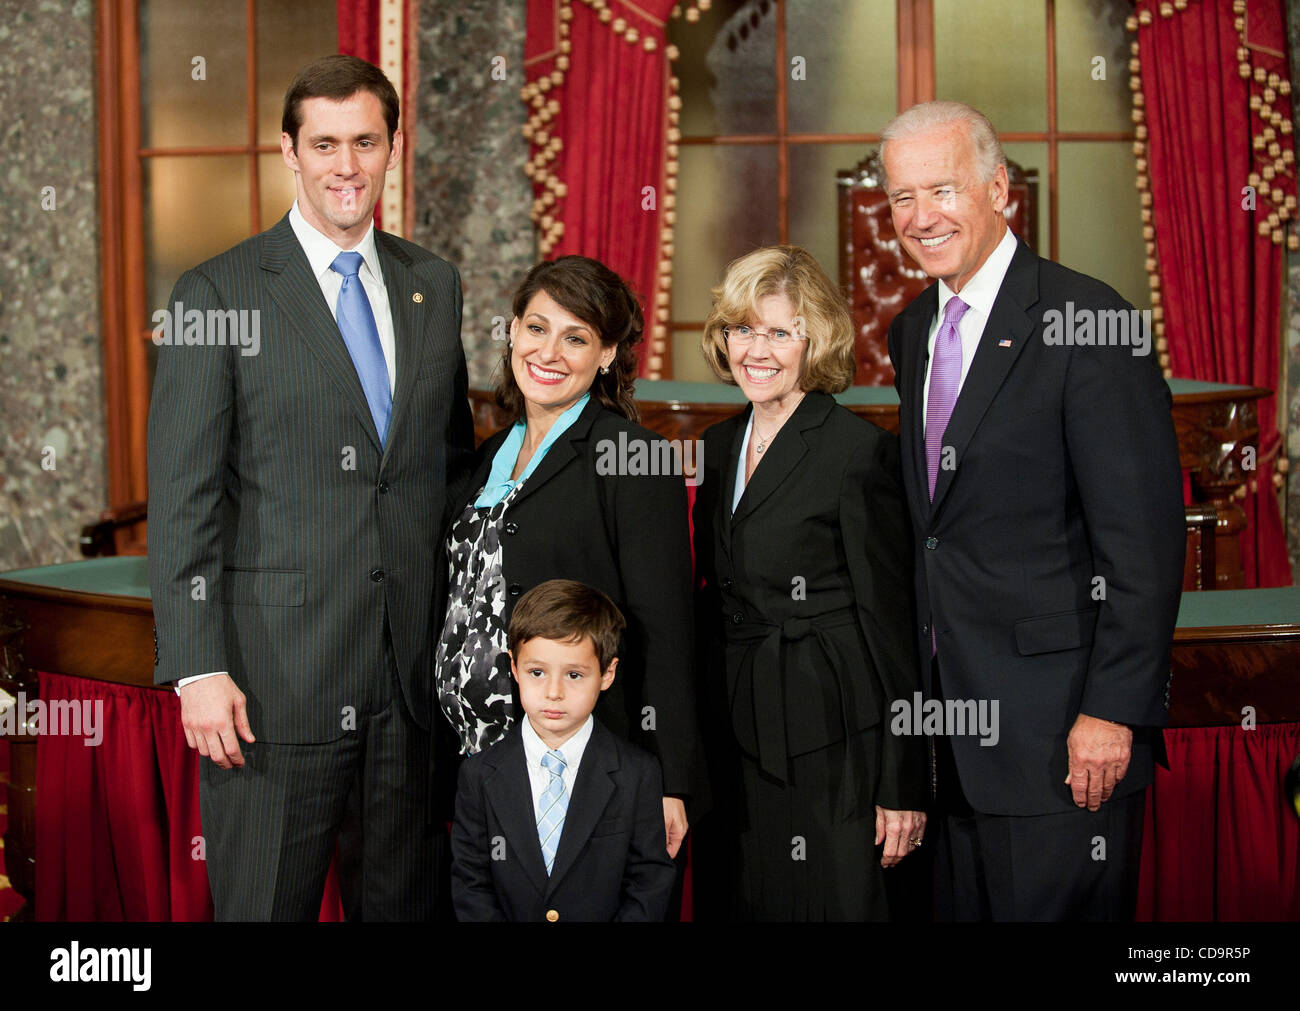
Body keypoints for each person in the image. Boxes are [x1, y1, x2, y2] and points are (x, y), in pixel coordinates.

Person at [148, 54, 474, 920]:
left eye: (365, 141)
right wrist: (196, 667)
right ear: (288, 153)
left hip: (408, 689)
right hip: (271, 687)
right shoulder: (215, 292)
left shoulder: (432, 286)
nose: (346, 165)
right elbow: (183, 499)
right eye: (324, 143)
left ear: (393, 147)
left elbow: (445, 468)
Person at [881, 101, 1185, 921]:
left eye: (940, 189)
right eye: (901, 198)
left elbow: (1144, 548)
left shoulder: (1090, 323)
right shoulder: (912, 330)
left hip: (1061, 739)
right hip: (952, 745)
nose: (921, 216)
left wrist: (1112, 711)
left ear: (998, 188)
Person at [435, 254, 701, 872]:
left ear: (606, 354)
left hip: (583, 764)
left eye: (575, 337)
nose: (548, 352)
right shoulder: (489, 452)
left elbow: (664, 630)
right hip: (477, 765)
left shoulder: (635, 457)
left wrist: (671, 779)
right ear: (513, 332)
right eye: (536, 327)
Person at [692, 244, 927, 921]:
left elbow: (894, 629)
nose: (755, 350)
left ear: (814, 338)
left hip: (834, 739)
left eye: (778, 331)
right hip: (732, 734)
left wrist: (902, 781)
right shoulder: (713, 445)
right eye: (742, 328)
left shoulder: (859, 453)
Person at [450, 579, 677, 921]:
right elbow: (471, 886)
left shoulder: (637, 772)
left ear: (607, 673)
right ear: (514, 667)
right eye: (537, 672)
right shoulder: (479, 774)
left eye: (573, 674)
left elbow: (648, 885)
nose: (553, 692)